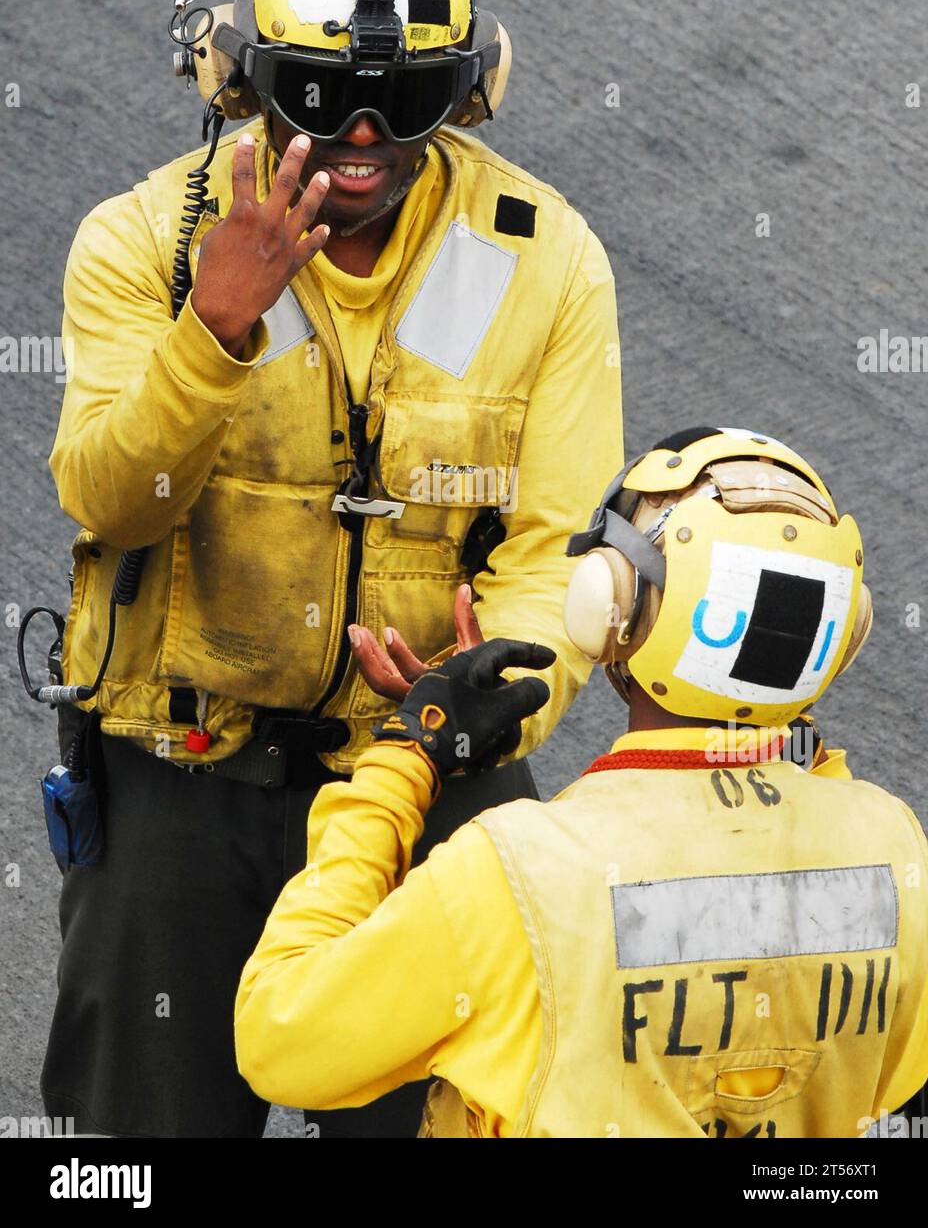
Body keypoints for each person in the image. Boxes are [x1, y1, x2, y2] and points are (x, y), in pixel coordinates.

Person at [41, 0, 623, 1137]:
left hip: (426, 769)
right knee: (135, 1141)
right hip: (180, 776)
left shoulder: (549, 261)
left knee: (473, 1116)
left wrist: (488, 691)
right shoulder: (141, 246)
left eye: (403, 104)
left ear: (466, 94)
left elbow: (560, 555)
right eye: (320, 96)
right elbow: (110, 499)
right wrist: (216, 327)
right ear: (246, 81)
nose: (361, 136)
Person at [235, 426, 928, 1138]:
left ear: (613, 605)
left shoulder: (518, 870)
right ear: (842, 632)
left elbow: (281, 1040)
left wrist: (408, 753)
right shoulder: (897, 850)